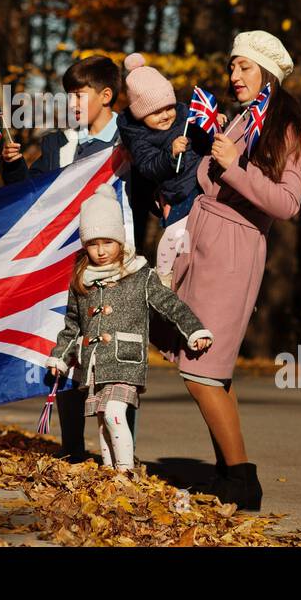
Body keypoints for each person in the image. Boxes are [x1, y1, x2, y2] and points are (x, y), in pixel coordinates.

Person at [162, 30, 301, 511]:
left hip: (234, 250)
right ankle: (228, 471)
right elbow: (213, 177)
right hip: (203, 242)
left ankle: (244, 481)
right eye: (231, 67)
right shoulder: (243, 119)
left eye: (243, 67)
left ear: (268, 71)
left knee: (200, 366)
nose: (234, 75)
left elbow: (286, 203)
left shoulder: (288, 129)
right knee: (213, 371)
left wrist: (233, 166)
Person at [0, 55, 137, 462]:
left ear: (106, 96)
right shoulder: (58, 143)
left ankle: (124, 454)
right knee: (73, 350)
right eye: (69, 95)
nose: (72, 103)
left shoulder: (129, 140)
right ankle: (74, 450)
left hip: (118, 265)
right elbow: (35, 200)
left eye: (80, 95)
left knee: (117, 355)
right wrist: (14, 169)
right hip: (67, 267)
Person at [45, 185, 212, 477]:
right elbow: (72, 325)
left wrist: (194, 331)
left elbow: (171, 305)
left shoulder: (139, 275)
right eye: (93, 243)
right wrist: (60, 356)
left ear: (120, 240)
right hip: (95, 363)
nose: (100, 251)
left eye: (107, 242)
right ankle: (109, 474)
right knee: (101, 419)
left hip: (126, 361)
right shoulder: (82, 280)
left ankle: (125, 474)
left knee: (113, 413)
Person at [116, 53, 214, 287]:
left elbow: (204, 135)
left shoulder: (184, 116)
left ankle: (209, 279)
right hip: (177, 194)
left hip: (203, 185)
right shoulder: (139, 136)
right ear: (141, 114)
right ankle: (164, 275)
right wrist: (169, 155)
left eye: (169, 107)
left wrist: (214, 122)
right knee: (176, 237)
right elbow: (148, 167)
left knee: (206, 240)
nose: (165, 115)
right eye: (156, 112)